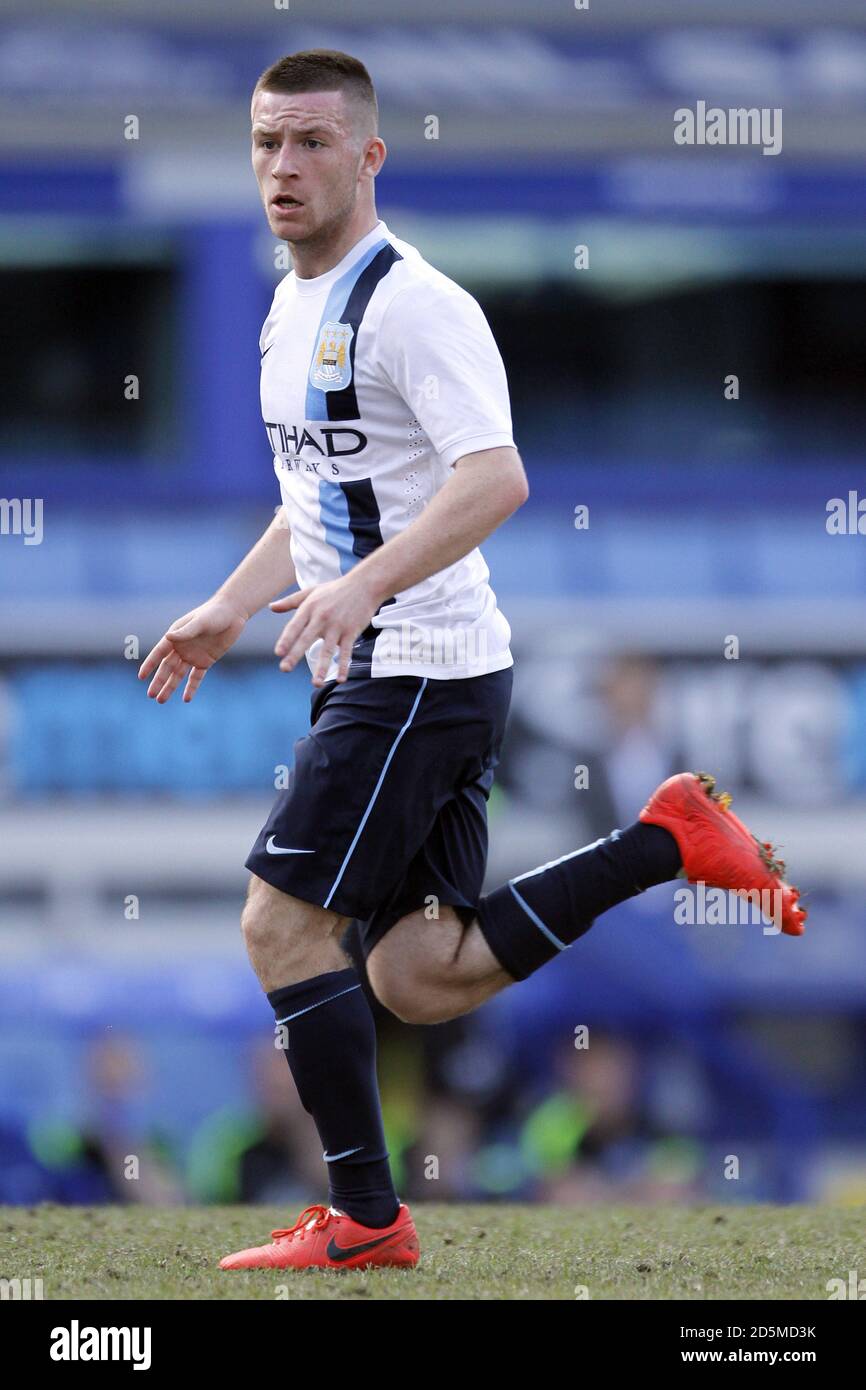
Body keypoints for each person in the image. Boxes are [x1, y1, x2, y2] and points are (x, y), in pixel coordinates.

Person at [139, 49, 805, 1273]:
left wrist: (362, 588)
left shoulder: (416, 305)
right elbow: (318, 496)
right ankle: (664, 837)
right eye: (265, 144)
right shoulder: (287, 307)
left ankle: (364, 1217)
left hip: (417, 669)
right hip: (404, 666)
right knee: (414, 974)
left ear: (369, 154)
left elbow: (493, 476)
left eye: (311, 144)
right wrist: (229, 604)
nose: (283, 168)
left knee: (279, 928)